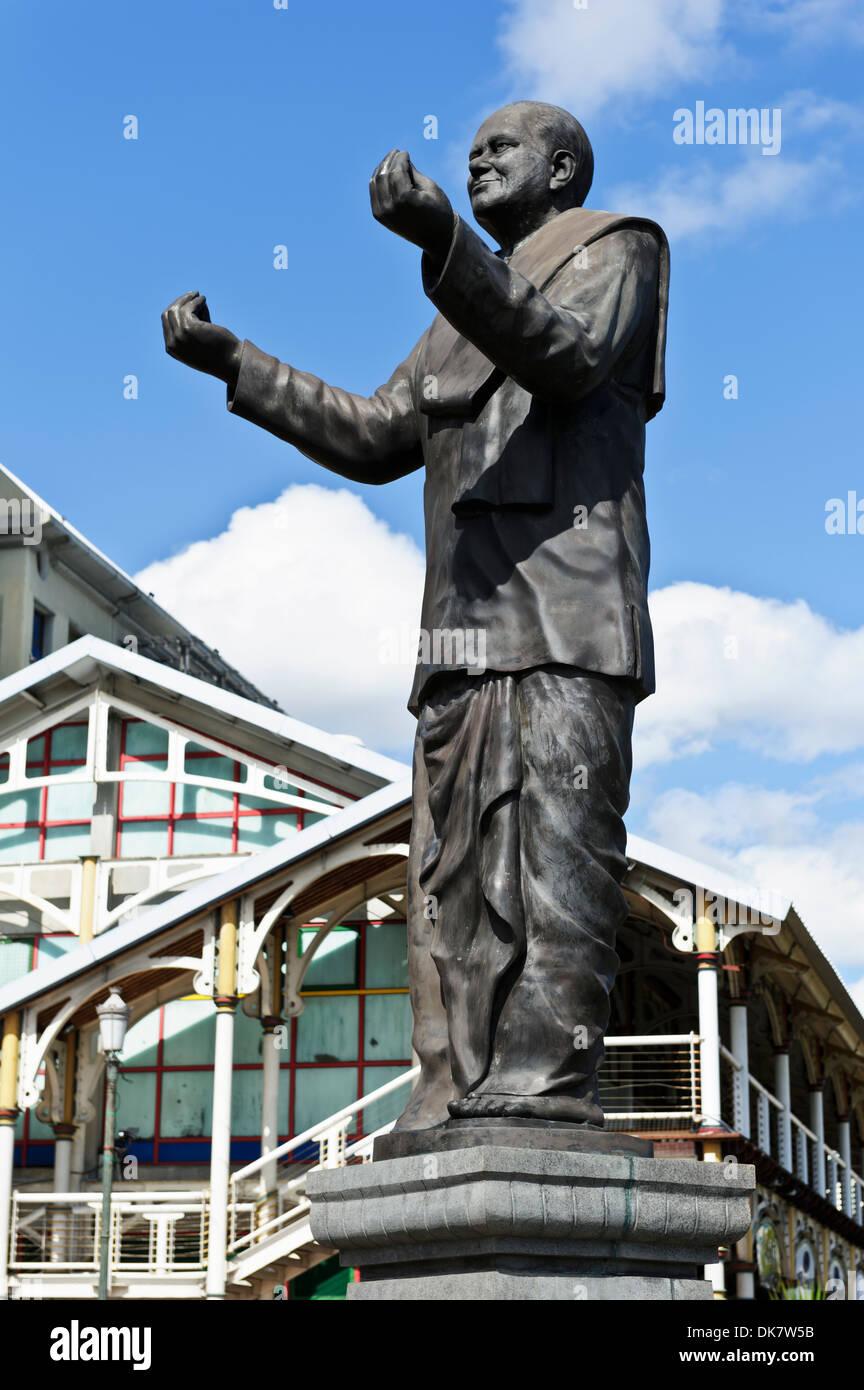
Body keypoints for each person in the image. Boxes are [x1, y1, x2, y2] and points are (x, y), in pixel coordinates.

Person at [162, 100, 669, 1131]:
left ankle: (540, 1096)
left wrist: (444, 244)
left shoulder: (620, 248)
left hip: (567, 620)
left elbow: (567, 357)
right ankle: (449, 1097)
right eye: (470, 150)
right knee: (448, 885)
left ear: (565, 169)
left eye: (505, 146)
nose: (478, 157)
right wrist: (238, 365)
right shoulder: (455, 313)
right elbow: (374, 433)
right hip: (459, 638)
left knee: (555, 863)